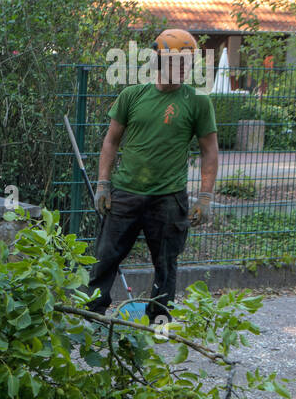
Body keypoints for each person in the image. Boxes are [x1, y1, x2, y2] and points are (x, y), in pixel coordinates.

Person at [88, 28, 219, 319]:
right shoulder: (132, 96)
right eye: (177, 61)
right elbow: (111, 141)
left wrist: (206, 196)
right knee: (105, 258)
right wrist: (103, 184)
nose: (183, 68)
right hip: (125, 194)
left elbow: (210, 150)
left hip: (169, 198)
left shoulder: (198, 101)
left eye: (188, 62)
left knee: (166, 263)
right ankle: (92, 314)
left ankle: (158, 317)